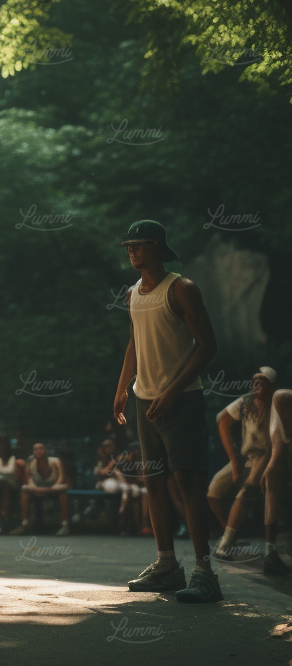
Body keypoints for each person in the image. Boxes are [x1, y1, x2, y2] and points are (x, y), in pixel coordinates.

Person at [112, 219, 221, 602]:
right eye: (129, 245)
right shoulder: (132, 293)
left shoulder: (181, 288)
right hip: (145, 400)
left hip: (182, 399)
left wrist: (173, 392)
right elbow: (134, 342)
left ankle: (205, 573)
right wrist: (123, 387)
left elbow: (207, 345)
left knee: (188, 483)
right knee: (154, 482)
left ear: (157, 247)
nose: (132, 251)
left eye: (139, 244)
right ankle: (166, 565)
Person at [209, 367, 275, 561]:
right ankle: (229, 531)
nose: (257, 384)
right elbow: (222, 420)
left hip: (266, 456)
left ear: (271, 386)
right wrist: (234, 460)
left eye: (262, 381)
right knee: (213, 492)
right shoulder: (246, 401)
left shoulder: (277, 404)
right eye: (255, 380)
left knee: (244, 494)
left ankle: (225, 545)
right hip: (246, 457)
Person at [9, 442, 70, 535]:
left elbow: (61, 479)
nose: (38, 451)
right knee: (24, 490)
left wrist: (49, 489)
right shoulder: (30, 463)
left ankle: (64, 525)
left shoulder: (56, 461)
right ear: (33, 452)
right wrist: (36, 488)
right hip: (37, 489)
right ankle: (24, 524)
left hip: (53, 489)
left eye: (41, 448)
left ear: (45, 450)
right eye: (36, 449)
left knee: (63, 491)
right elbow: (29, 480)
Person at [263, 388, 292, 576]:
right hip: (279, 458)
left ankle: (270, 553)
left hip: (280, 457)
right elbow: (279, 440)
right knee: (272, 487)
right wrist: (272, 462)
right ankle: (270, 553)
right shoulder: (280, 398)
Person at [0, 433, 24, 534]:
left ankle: (4, 520)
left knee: (5, 486)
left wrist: (7, 480)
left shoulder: (15, 460)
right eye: (0, 445)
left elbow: (18, 478)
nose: (2, 447)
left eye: (4, 445)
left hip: (13, 487)